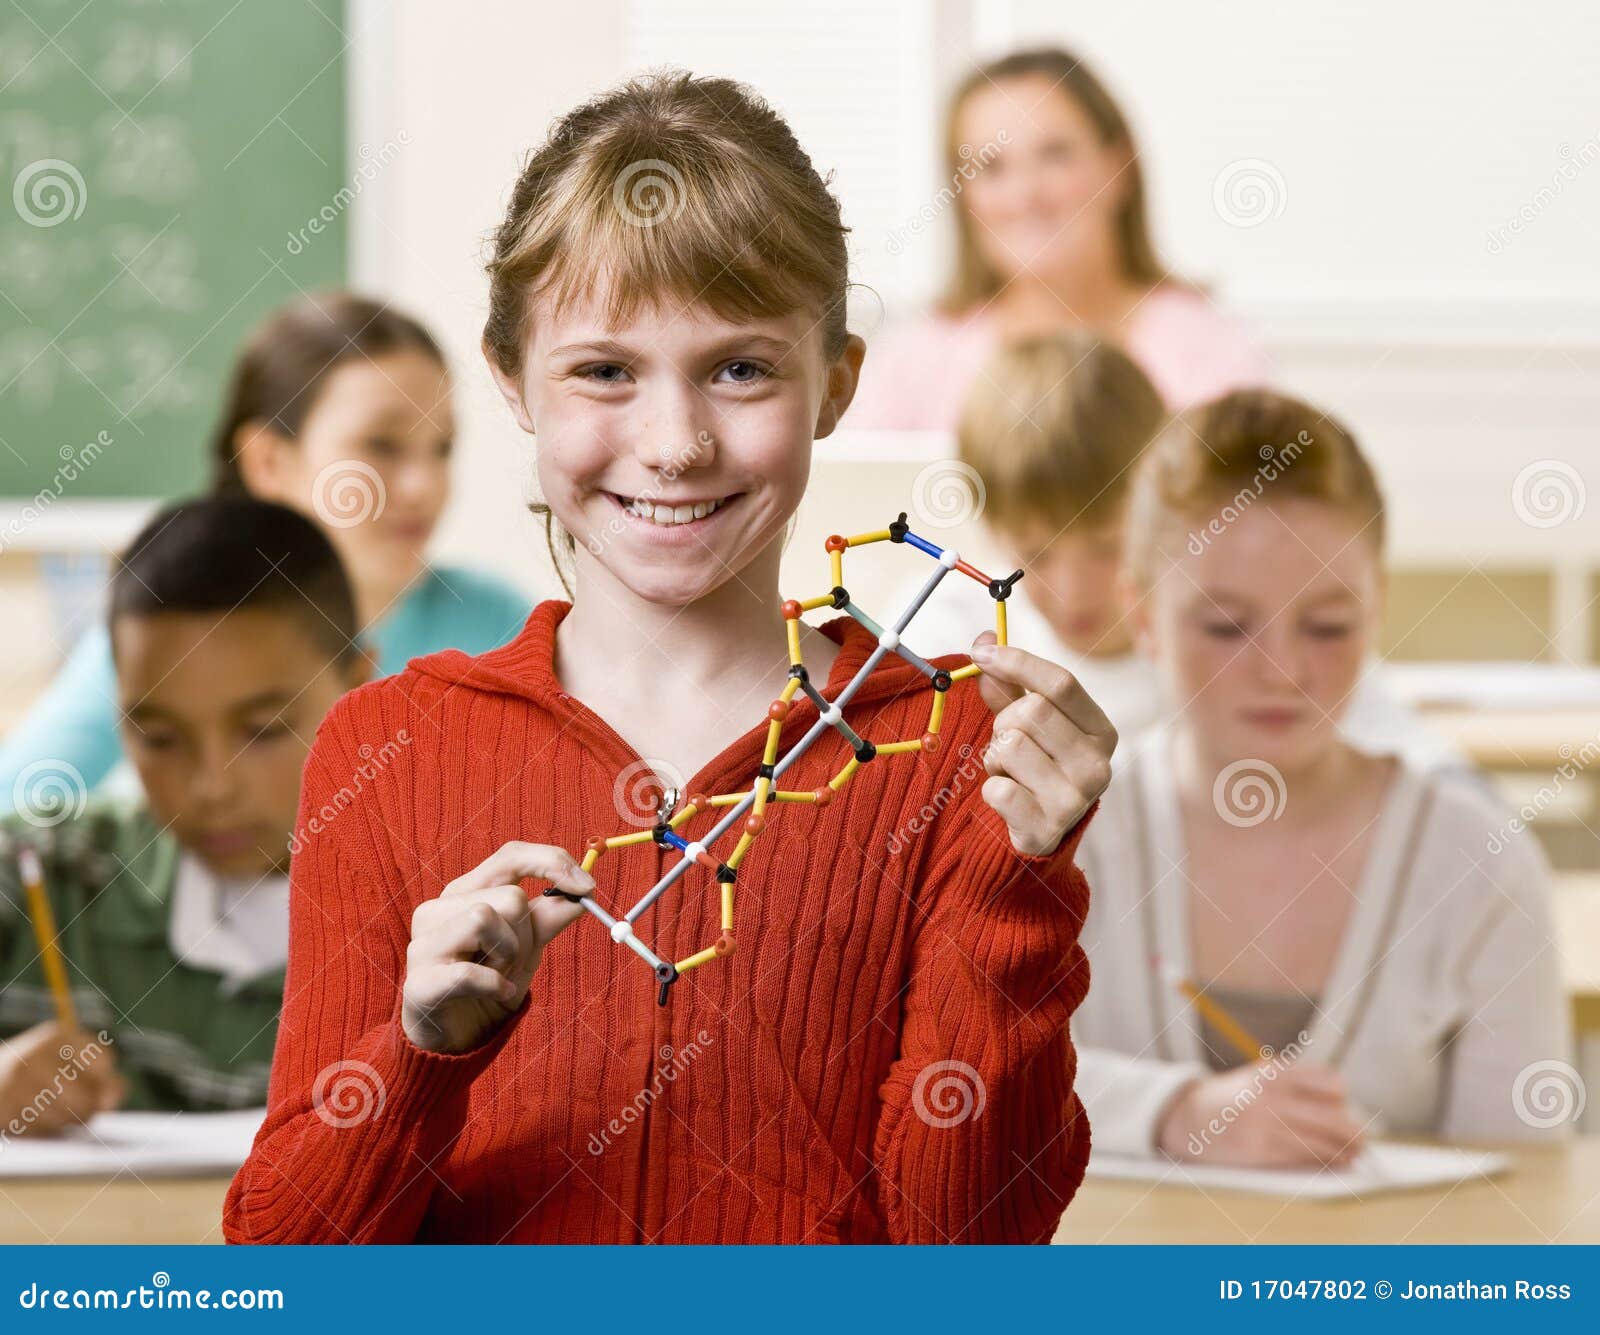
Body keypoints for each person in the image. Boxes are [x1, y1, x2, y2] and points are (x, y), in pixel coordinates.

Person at [224, 70, 1116, 1245]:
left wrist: (1021, 886)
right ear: (510, 380)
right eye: (604, 370)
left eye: (740, 369)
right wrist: (421, 1054)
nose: (676, 443)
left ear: (835, 384)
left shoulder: (950, 755)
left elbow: (963, 1249)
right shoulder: (388, 746)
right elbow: (287, 1264)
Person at [1070, 389, 1571, 1164]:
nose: (1284, 671)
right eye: (1227, 625)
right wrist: (1177, 1114)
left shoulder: (1481, 865)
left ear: (1377, 611)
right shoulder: (1068, 838)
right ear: (1141, 615)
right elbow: (962, 1100)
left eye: (1329, 625)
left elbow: (1525, 1190)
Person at [0, 292, 531, 805]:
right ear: (269, 463)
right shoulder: (174, 627)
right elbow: (16, 808)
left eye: (442, 448)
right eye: (381, 445)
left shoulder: (500, 627)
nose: (424, 486)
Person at [904, 333, 1472, 776]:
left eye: (1106, 547)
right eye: (1036, 555)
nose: (1074, 591)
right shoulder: (954, 628)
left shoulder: (1219, 622)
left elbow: (1391, 740)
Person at [0, 497, 370, 1122]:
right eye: (160, 738)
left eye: (262, 729)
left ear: (364, 687)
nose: (210, 787)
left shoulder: (453, 923)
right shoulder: (39, 871)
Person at [849, 46, 1267, 430]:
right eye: (991, 168)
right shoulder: (914, 362)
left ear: (1119, 167)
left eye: (1055, 155)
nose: (1025, 195)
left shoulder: (1209, 350)